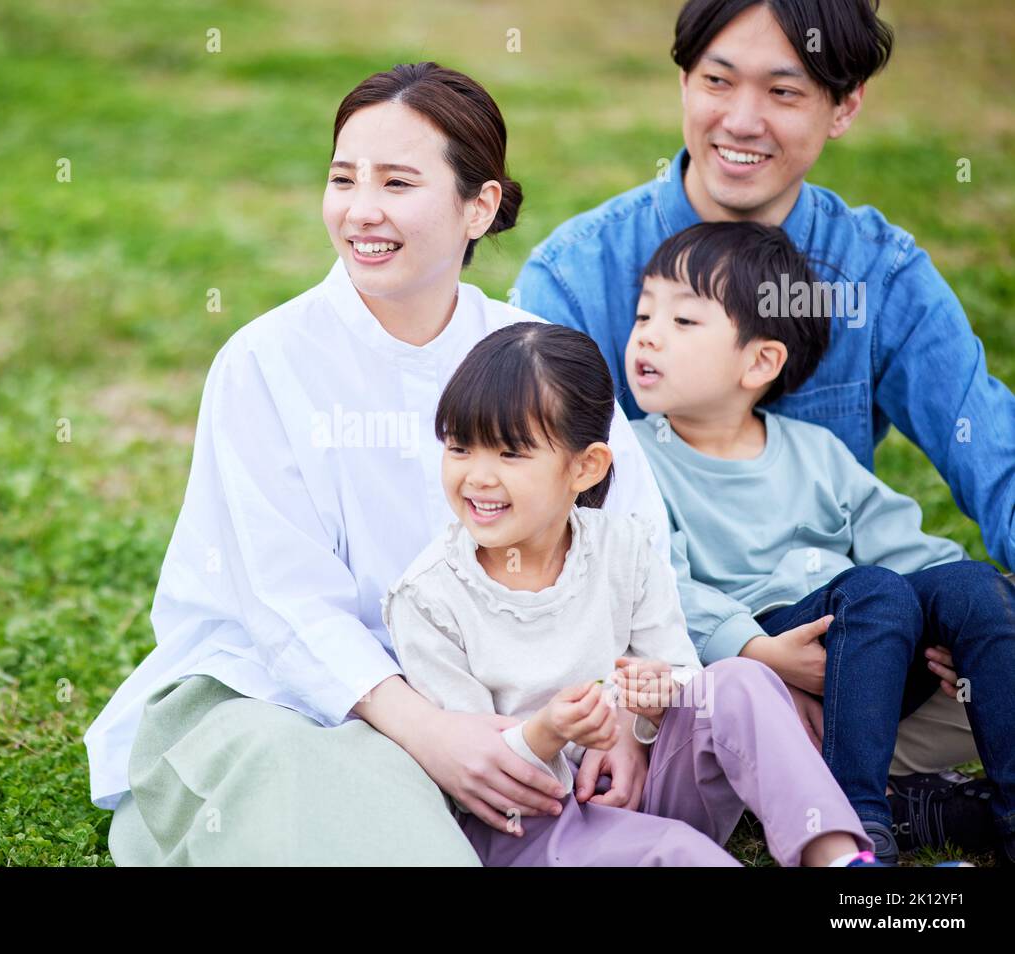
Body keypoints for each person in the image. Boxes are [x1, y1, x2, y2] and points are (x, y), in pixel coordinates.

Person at [85, 63, 674, 865]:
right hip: (279, 697)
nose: (361, 210)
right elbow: (287, 604)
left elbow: (630, 542)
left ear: (480, 205)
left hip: (506, 702)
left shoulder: (534, 355)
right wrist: (431, 733)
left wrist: (624, 721)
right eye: (342, 179)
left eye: (398, 182)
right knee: (345, 811)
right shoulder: (265, 361)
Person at [514, 0, 1015, 846]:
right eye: (716, 80)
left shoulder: (877, 273)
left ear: (844, 103)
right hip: (676, 671)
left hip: (864, 644)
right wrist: (738, 648)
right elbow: (536, 532)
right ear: (683, 80)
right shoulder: (576, 275)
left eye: (784, 91)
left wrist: (951, 626)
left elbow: (993, 456)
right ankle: (854, 806)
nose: (740, 121)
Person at [383, 320, 879, 866]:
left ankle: (837, 860)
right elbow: (472, 776)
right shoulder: (428, 598)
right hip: (530, 826)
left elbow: (679, 671)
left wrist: (643, 715)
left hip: (640, 787)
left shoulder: (623, 548)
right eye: (460, 447)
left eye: (510, 453)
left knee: (740, 680)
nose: (478, 476)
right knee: (677, 850)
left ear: (585, 466)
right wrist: (548, 732)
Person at [625, 220, 1015, 863]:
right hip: (763, 654)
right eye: (644, 314)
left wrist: (950, 630)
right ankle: (864, 822)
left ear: (760, 361)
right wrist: (755, 649)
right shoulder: (636, 456)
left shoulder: (815, 452)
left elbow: (908, 550)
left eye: (683, 321)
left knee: (971, 586)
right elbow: (654, 585)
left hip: (874, 653)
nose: (649, 334)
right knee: (876, 591)